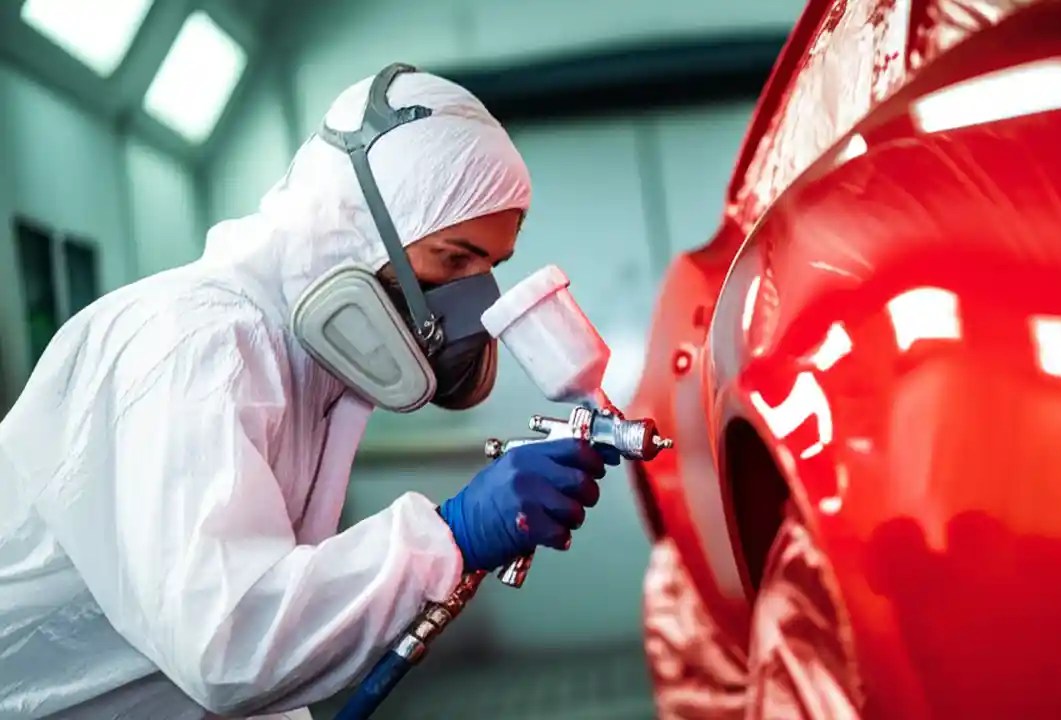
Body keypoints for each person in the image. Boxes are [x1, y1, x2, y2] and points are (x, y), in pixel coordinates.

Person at [0, 65, 615, 719]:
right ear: (360, 230)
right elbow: (229, 645)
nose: (476, 302)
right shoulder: (194, 346)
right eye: (454, 258)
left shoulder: (311, 370)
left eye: (491, 267)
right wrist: (450, 534)